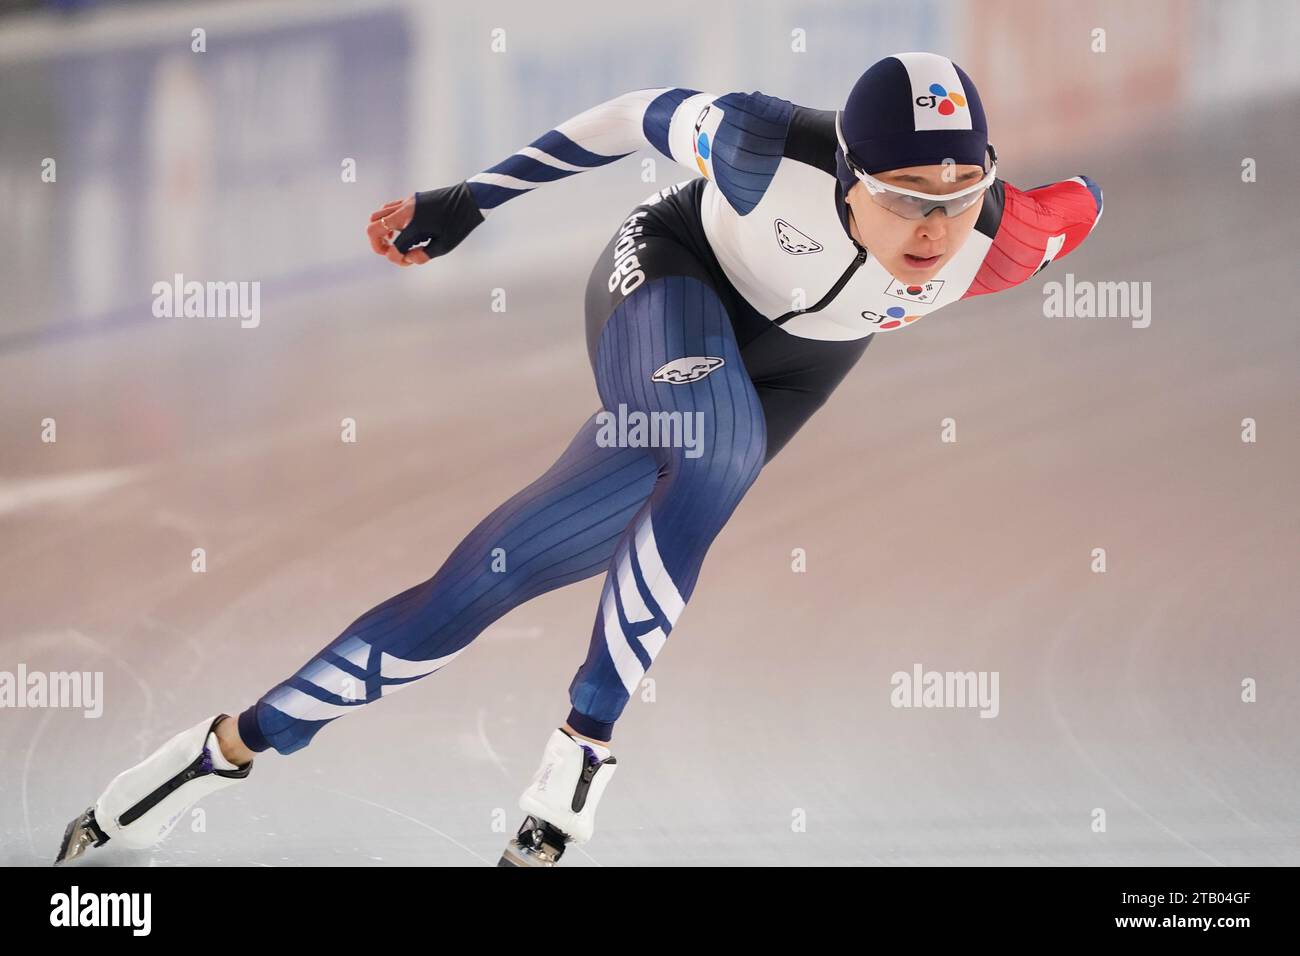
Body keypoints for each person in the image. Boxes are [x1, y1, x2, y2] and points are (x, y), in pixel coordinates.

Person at [55, 52, 1103, 867]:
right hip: (669, 277)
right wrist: (468, 199)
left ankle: (204, 759)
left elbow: (1081, 202)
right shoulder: (753, 145)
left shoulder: (1004, 238)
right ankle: (583, 747)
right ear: (845, 171)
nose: (933, 226)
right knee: (713, 442)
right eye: (907, 194)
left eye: (959, 194)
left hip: (793, 370)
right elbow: (623, 114)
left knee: (472, 589)